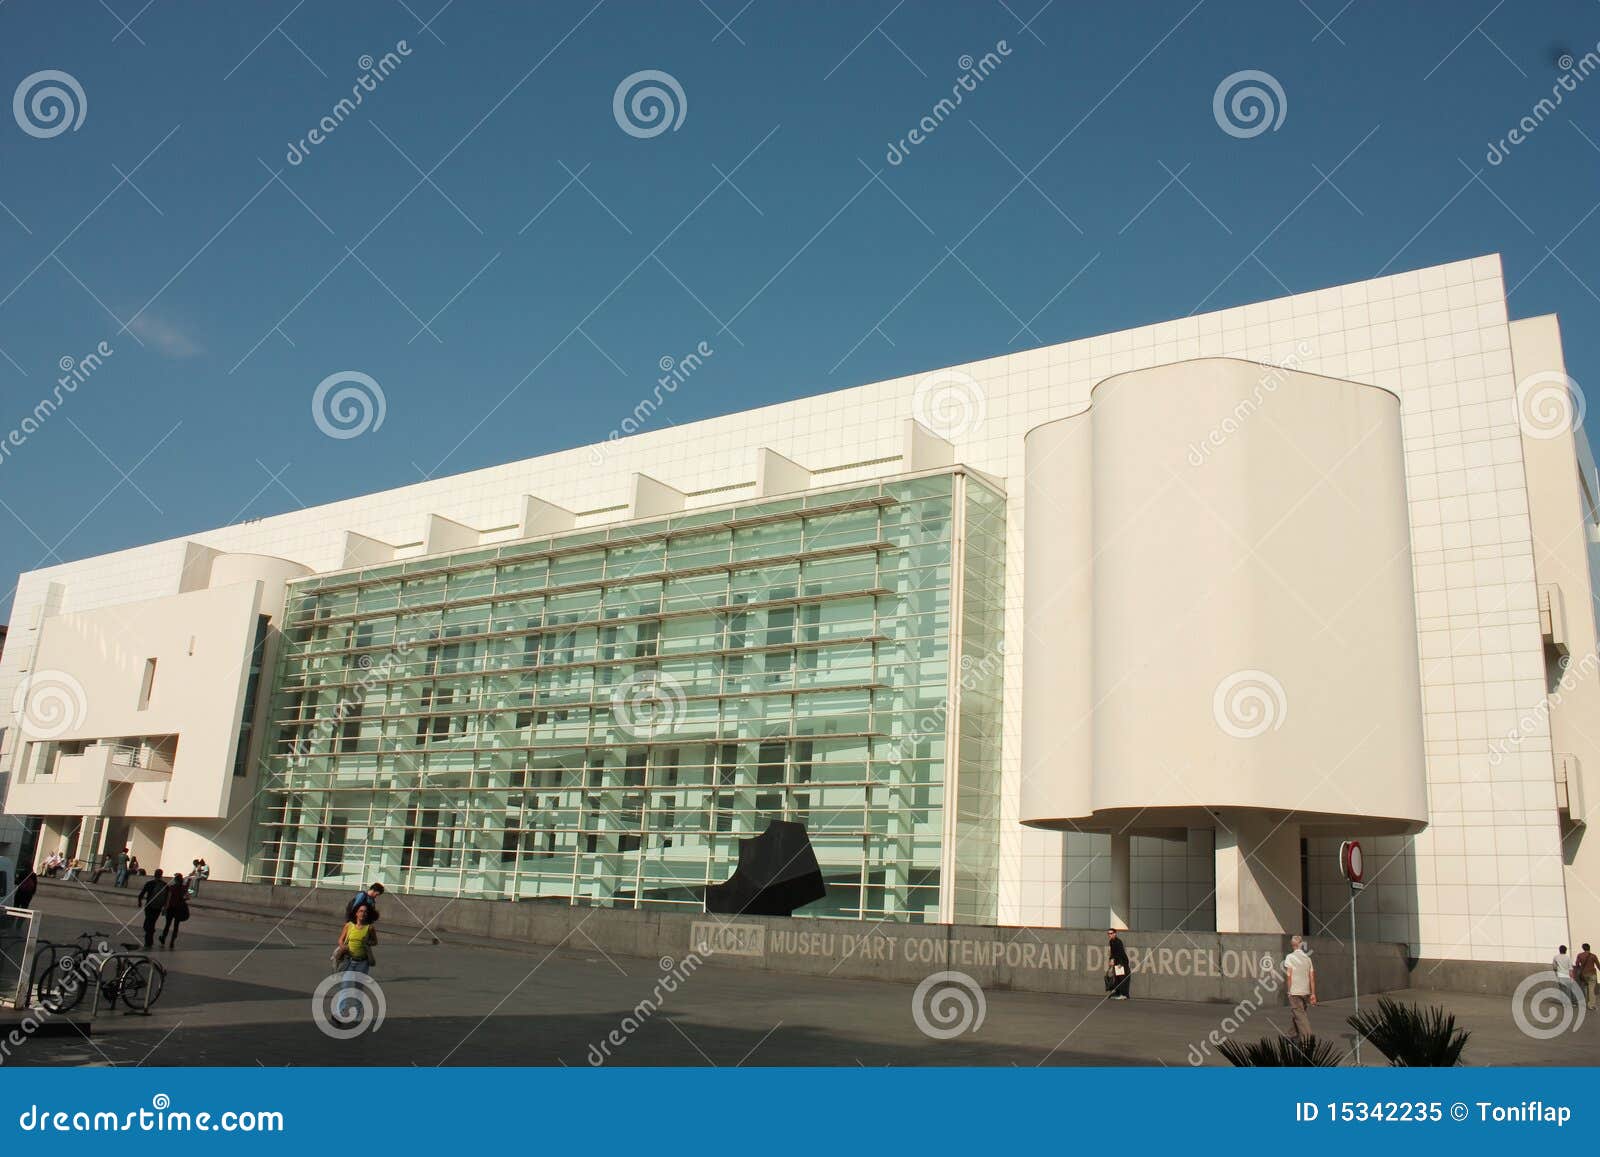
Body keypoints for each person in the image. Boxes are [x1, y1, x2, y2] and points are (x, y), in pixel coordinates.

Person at [333, 903, 378, 1021]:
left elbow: (375, 942)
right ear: (356, 913)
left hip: (362, 963)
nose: (363, 913)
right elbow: (340, 939)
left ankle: (358, 1014)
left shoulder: (370, 928)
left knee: (358, 989)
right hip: (349, 961)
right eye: (361, 911)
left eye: (365, 912)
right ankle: (340, 1012)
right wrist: (343, 947)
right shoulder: (349, 926)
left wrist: (367, 943)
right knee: (345, 987)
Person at [1284, 934, 1318, 1039]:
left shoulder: (1290, 957)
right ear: (1301, 944)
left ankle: (1308, 1038)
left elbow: (1289, 975)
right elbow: (1311, 977)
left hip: (1295, 992)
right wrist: (1313, 994)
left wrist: (1289, 991)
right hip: (1306, 992)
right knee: (1299, 1013)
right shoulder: (1307, 958)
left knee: (1300, 1015)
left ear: (1292, 945)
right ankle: (1291, 1034)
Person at [135, 869, 170, 950]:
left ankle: (148, 941)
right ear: (161, 875)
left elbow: (141, 894)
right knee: (152, 922)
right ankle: (150, 937)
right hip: (158, 907)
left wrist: (139, 902)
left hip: (149, 906)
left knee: (147, 923)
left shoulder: (149, 883)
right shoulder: (165, 885)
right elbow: (167, 898)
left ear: (154, 874)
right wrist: (165, 908)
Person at [158, 872, 190, 948]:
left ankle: (163, 938)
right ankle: (172, 942)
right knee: (176, 926)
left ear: (176, 880)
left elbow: (168, 899)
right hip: (179, 909)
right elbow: (186, 897)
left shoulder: (171, 888)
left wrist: (165, 908)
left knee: (167, 924)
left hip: (171, 908)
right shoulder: (183, 888)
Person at [1105, 928, 1132, 1000]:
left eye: (1111, 933)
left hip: (1122, 962)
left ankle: (1124, 994)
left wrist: (1120, 963)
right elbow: (1112, 952)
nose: (1109, 935)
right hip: (1117, 961)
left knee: (1121, 978)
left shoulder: (1118, 942)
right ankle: (1118, 993)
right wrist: (1111, 960)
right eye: (1108, 933)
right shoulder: (1111, 942)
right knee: (1117, 978)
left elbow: (1121, 953)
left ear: (1115, 934)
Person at [1574, 943, 1599, 1011]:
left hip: (1584, 974)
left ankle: (1585, 1002)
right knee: (1591, 989)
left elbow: (1576, 964)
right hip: (1592, 974)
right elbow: (1598, 965)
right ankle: (1591, 1005)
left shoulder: (1580, 955)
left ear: (1583, 948)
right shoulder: (1593, 956)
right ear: (1589, 948)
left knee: (1585, 988)